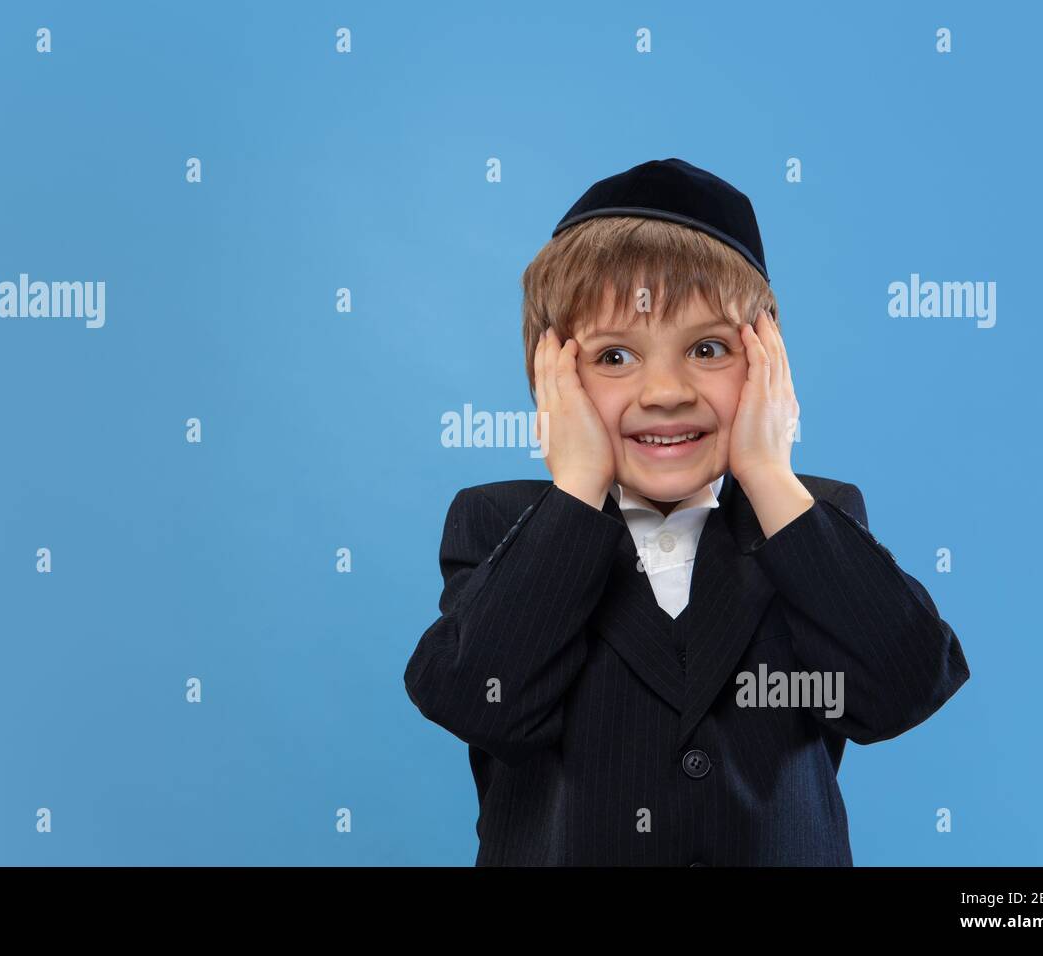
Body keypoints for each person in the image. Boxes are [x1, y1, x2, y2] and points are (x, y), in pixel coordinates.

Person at [403, 158, 970, 866]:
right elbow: (481, 702)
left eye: (707, 349)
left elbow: (903, 689)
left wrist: (766, 472)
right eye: (614, 357)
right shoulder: (499, 525)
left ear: (768, 365)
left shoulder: (808, 519)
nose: (665, 391)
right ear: (552, 377)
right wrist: (577, 485)